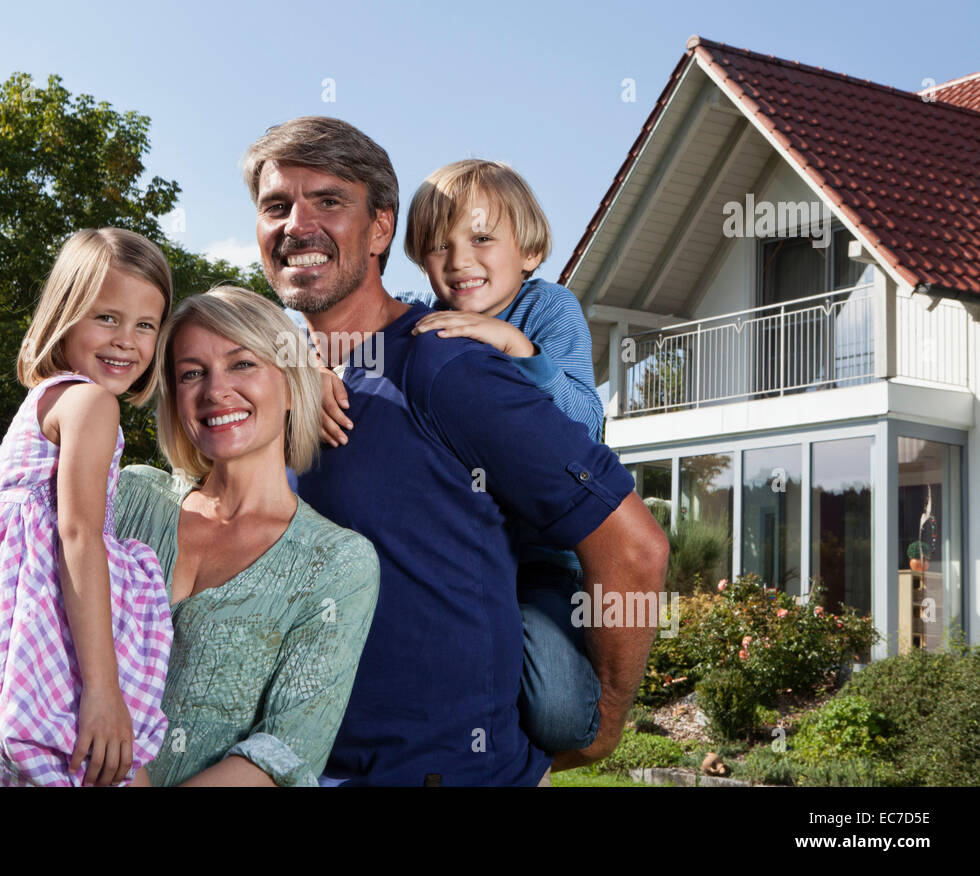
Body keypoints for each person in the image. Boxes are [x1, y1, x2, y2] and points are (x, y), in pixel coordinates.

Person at [244, 116, 669, 786]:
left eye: (328, 201)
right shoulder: (266, 387)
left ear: (380, 229)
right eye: (276, 206)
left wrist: (605, 723)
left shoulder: (451, 364)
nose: (298, 224)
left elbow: (635, 547)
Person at [318, 158, 607, 754]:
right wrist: (310, 365)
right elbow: (344, 334)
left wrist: (519, 350)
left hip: (537, 558)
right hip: (460, 563)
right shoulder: (422, 320)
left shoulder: (548, 310)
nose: (459, 261)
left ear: (528, 250)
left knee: (556, 713)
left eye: (481, 238)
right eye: (437, 246)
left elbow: (585, 421)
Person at [0, 227, 174, 787]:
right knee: (120, 772)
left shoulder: (43, 399)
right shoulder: (91, 402)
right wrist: (103, 691)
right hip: (53, 634)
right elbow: (79, 535)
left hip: (9, 639)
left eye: (145, 325)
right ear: (64, 318)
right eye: (107, 317)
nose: (127, 340)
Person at [113, 285, 379, 786]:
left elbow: (282, 753)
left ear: (290, 380)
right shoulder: (129, 499)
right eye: (192, 372)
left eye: (242, 364)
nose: (215, 390)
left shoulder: (337, 563)